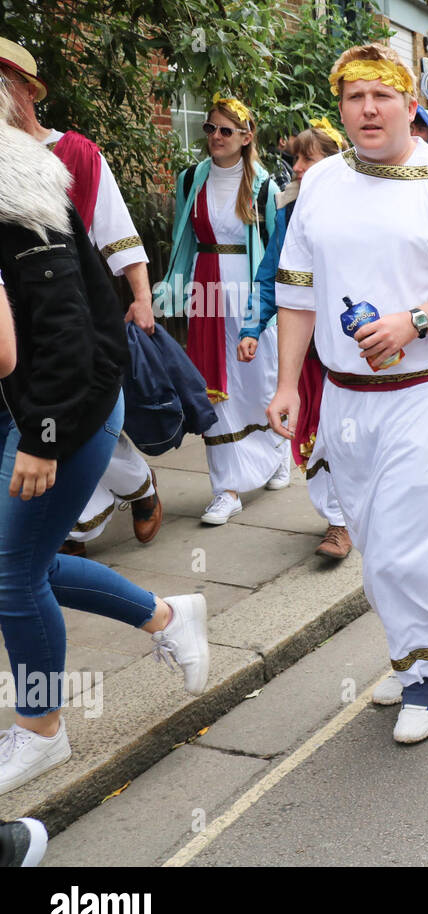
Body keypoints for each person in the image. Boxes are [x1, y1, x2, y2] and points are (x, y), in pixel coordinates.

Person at [269, 43, 428, 744]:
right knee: (378, 551)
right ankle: (415, 654)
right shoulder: (321, 183)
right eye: (354, 97)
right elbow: (297, 289)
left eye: (383, 95)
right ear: (340, 108)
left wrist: (415, 321)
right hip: (344, 396)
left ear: (412, 104)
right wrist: (289, 383)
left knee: (406, 550)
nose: (369, 109)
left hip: (424, 391)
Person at [0, 96, 208, 797]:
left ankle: (41, 732)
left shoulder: (18, 196)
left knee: (12, 577)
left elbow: (62, 334)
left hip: (65, 413)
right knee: (20, 566)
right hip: (30, 409)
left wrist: (42, 437)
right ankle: (169, 617)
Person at [0, 39, 165, 558]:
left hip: (72, 310)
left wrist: (141, 296)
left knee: (81, 416)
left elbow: (117, 231)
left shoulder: (74, 152)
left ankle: (134, 489)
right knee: (57, 422)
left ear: (27, 92)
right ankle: (62, 538)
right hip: (16, 321)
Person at [159, 94, 289, 526]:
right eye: (210, 128)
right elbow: (184, 240)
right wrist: (174, 293)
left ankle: (276, 451)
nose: (216, 136)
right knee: (213, 385)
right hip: (206, 289)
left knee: (258, 378)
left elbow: (276, 249)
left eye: (226, 130)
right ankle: (226, 488)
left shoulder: (265, 185)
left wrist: (270, 306)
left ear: (246, 137)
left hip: (248, 291)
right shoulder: (189, 180)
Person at [249, 119, 352, 559]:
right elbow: (273, 273)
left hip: (355, 349)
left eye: (308, 158)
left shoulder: (360, 207)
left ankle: (344, 522)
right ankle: (337, 520)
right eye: (294, 158)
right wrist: (253, 325)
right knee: (314, 433)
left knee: (345, 436)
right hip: (309, 350)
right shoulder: (289, 212)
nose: (297, 167)